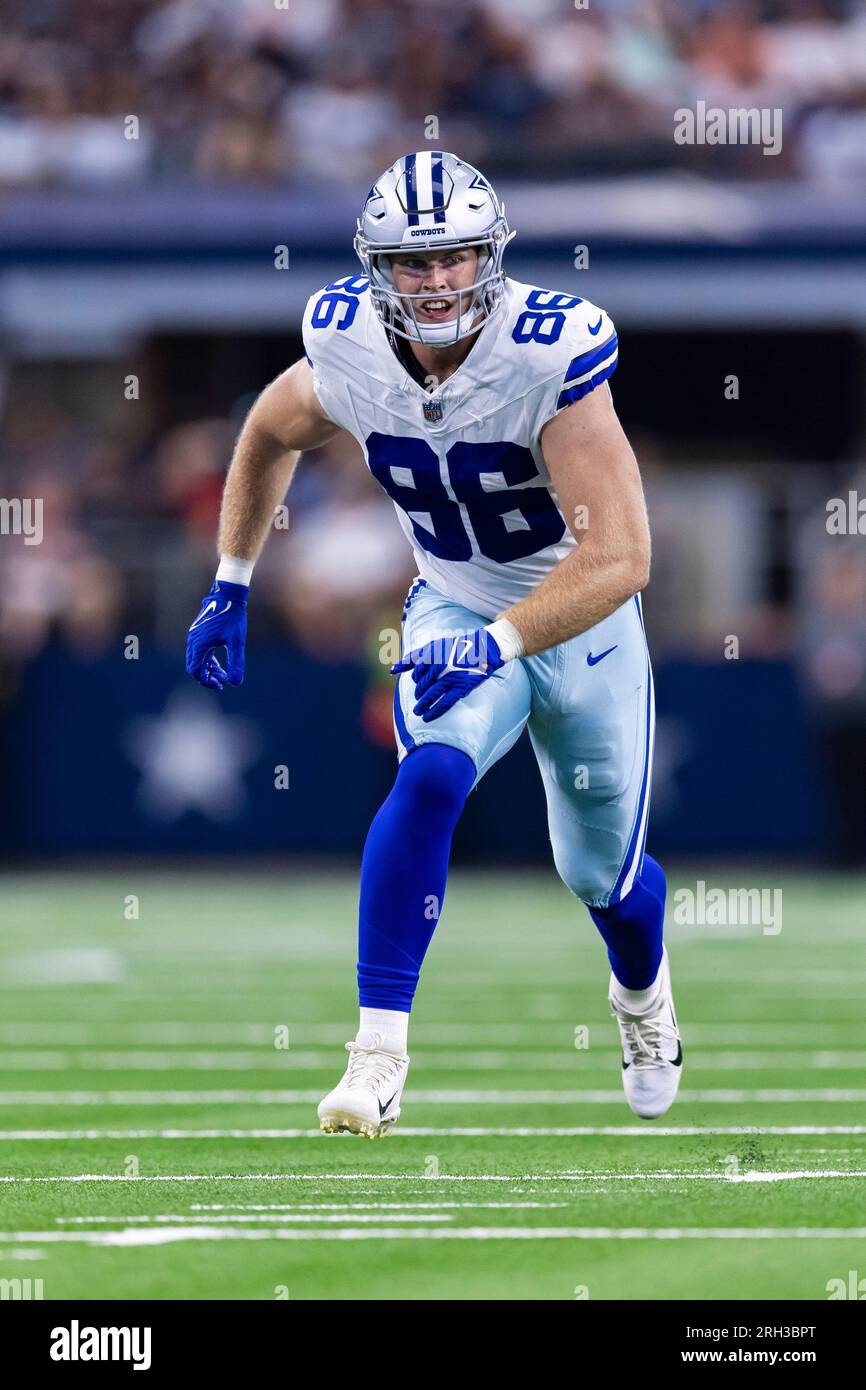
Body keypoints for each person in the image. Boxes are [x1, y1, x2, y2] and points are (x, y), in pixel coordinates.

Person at [185, 151, 682, 1135]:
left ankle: (642, 999)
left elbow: (621, 557)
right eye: (412, 263)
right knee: (427, 778)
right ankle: (376, 1055)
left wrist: (503, 642)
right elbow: (268, 429)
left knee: (600, 876)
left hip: (575, 614)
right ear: (377, 268)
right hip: (451, 601)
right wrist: (231, 578)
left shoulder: (548, 352)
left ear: (487, 256)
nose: (436, 279)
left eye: (453, 256)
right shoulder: (344, 339)